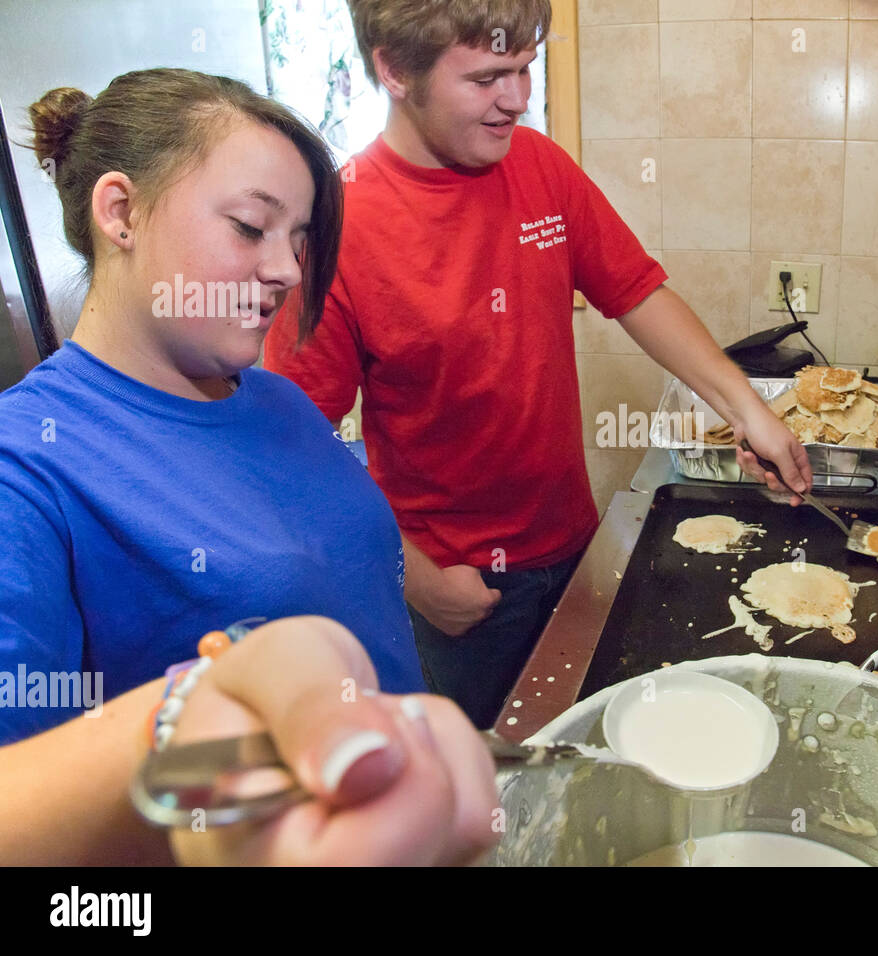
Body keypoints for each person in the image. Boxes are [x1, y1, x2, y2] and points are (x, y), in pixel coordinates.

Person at [265, 0, 814, 729]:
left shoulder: (539, 166)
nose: (518, 99)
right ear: (394, 70)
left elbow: (637, 292)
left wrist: (753, 413)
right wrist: (417, 580)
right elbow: (291, 455)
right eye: (489, 77)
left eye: (526, 69)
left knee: (579, 752)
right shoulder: (338, 229)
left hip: (575, 550)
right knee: (488, 795)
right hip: (461, 594)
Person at [0, 69, 496, 864]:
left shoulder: (277, 403)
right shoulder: (27, 464)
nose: (291, 272)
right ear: (121, 213)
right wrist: (184, 721)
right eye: (249, 227)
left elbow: (348, 558)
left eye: (298, 238)